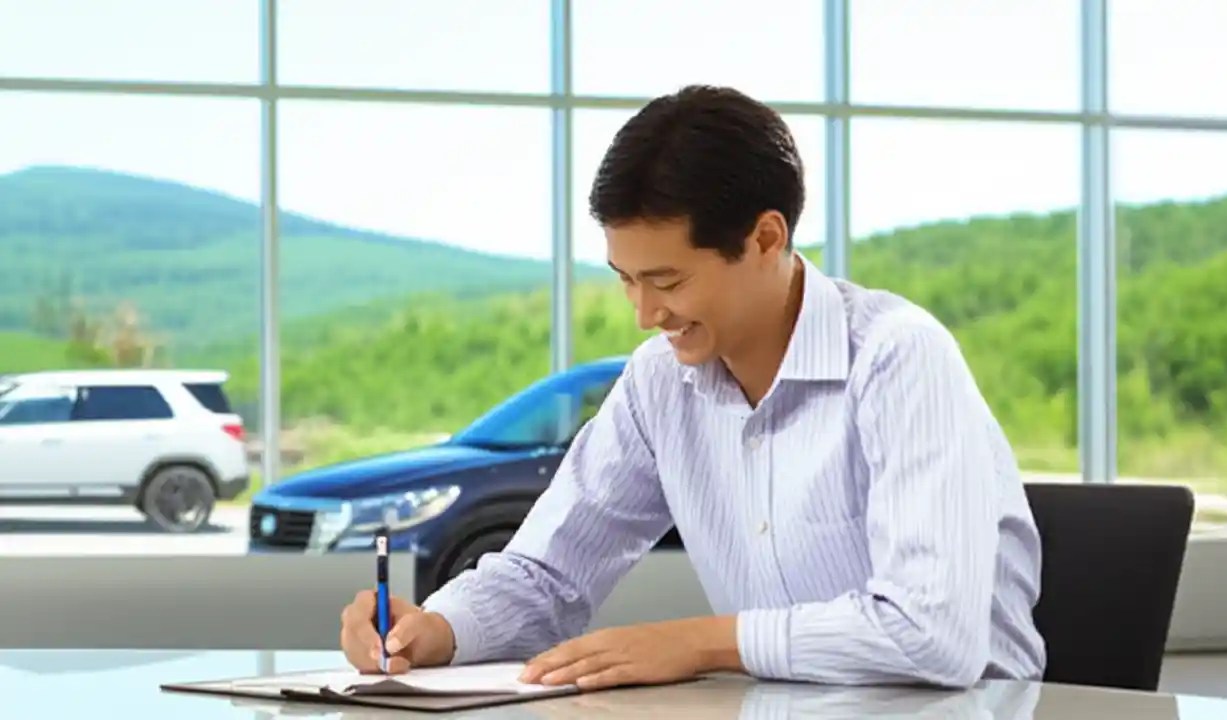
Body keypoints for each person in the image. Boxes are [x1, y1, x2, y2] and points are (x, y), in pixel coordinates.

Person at [339, 84, 1047, 690]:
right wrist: (439, 628)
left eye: (668, 282)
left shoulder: (899, 358)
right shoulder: (660, 382)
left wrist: (701, 643)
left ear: (766, 239)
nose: (647, 315)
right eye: (626, 281)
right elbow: (549, 575)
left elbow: (932, 634)